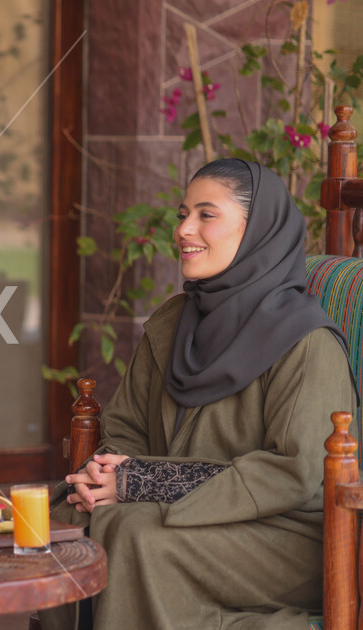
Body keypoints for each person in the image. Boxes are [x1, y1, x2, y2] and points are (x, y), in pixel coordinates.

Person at [40, 159, 355, 630]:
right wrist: (103, 475)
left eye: (206, 215)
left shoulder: (306, 341)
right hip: (176, 517)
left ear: (258, 231)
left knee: (135, 535)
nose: (185, 229)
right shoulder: (173, 323)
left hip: (286, 538)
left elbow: (295, 472)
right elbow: (125, 430)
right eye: (183, 213)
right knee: (59, 520)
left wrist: (144, 483)